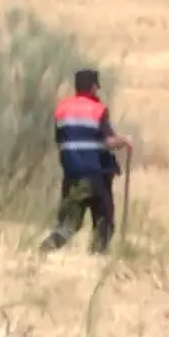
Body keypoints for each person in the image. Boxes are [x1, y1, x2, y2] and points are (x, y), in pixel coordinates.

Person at [41, 68, 132, 255]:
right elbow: (108, 142)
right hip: (95, 175)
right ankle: (97, 257)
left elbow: (60, 141)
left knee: (68, 224)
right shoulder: (97, 110)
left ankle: (45, 249)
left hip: (71, 174)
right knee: (104, 220)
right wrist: (124, 141)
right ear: (93, 87)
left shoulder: (62, 110)